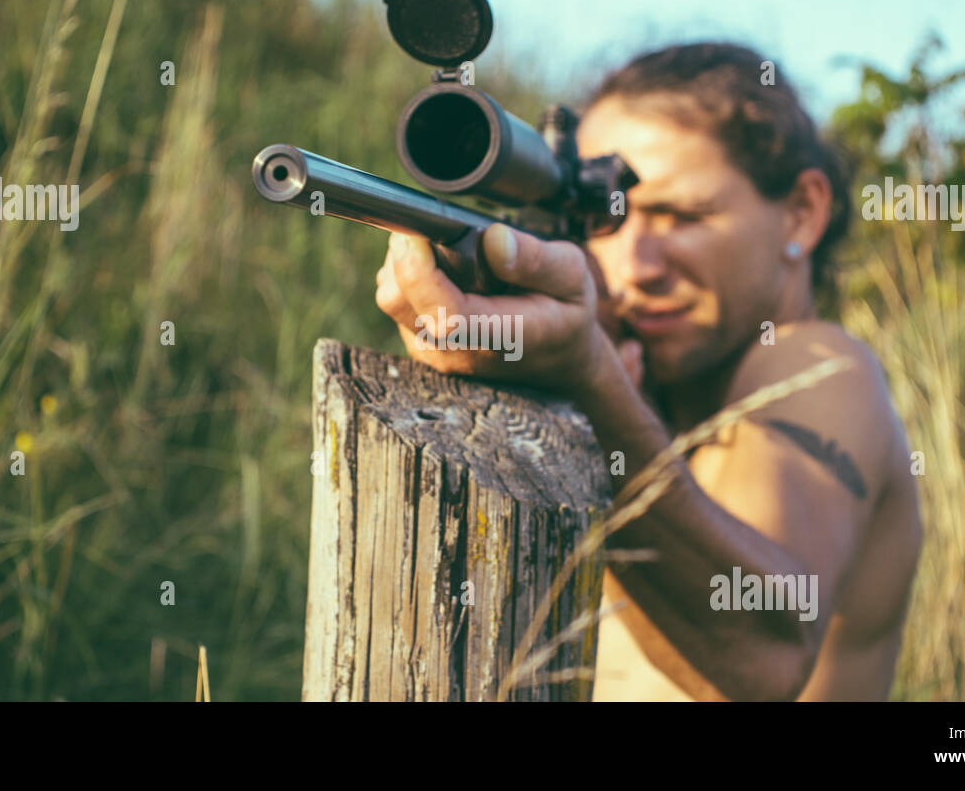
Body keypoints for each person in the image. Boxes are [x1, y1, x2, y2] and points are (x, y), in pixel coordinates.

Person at [374, 42, 922, 701]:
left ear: (802, 211)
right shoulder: (651, 395)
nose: (636, 267)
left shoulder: (820, 364)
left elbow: (764, 655)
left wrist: (591, 380)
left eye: (683, 217)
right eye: (606, 218)